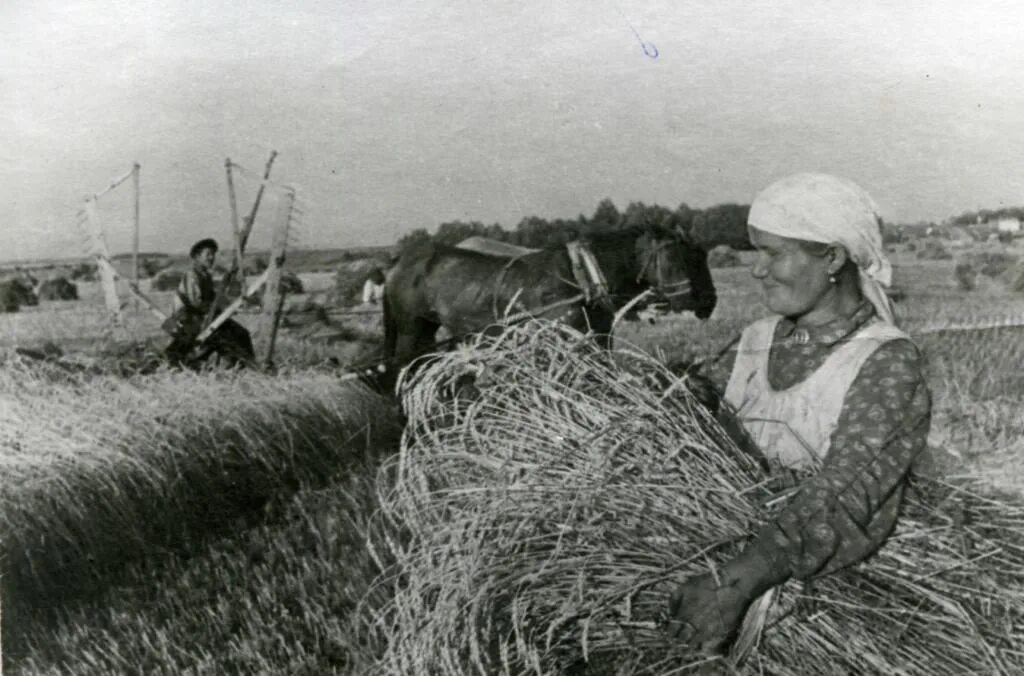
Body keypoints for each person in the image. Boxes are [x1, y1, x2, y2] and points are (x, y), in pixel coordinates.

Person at [667, 173, 932, 653]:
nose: (756, 269)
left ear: (831, 257)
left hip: (797, 572)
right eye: (755, 251)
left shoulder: (886, 361)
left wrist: (737, 582)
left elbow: (848, 491)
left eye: (773, 253)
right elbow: (711, 430)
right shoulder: (757, 338)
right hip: (732, 536)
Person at [163, 238, 255, 368]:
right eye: (208, 254)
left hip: (205, 317)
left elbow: (213, 298)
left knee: (241, 333)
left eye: (213, 254)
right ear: (197, 257)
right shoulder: (192, 275)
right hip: (188, 320)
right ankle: (243, 365)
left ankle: (247, 364)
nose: (212, 258)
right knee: (221, 337)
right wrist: (219, 309)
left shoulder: (206, 276)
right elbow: (196, 303)